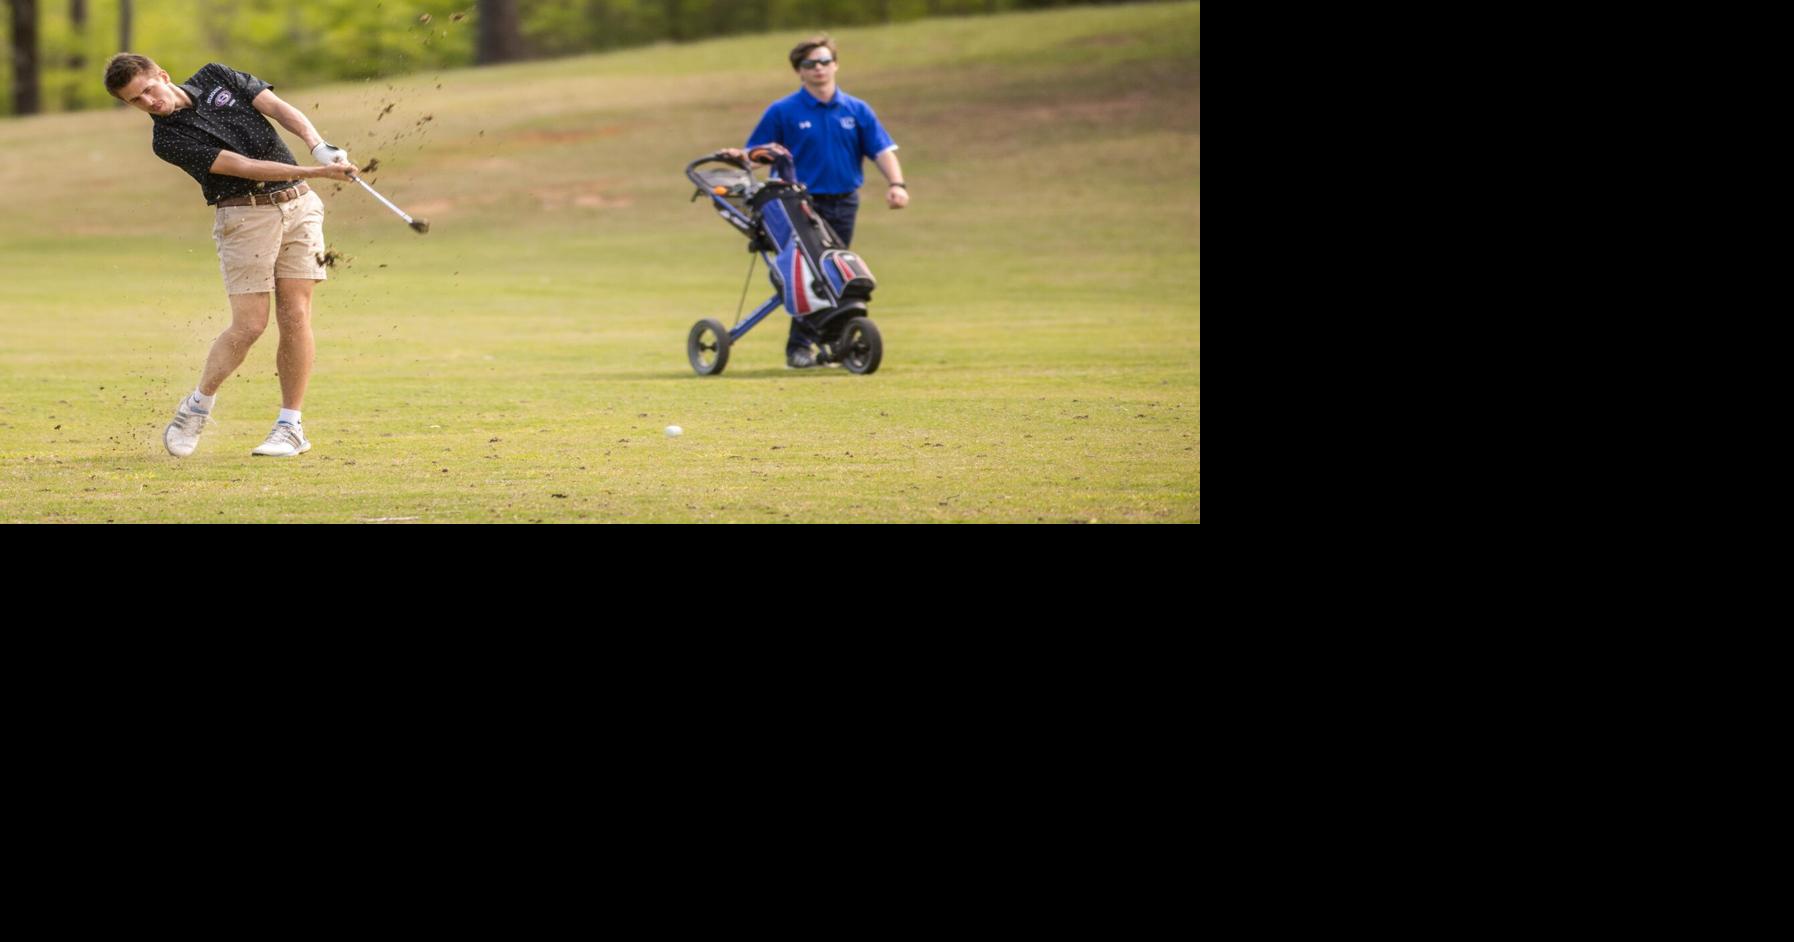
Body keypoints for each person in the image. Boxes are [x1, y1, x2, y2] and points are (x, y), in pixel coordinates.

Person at [104, 54, 359, 458]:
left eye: (149, 89)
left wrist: (317, 145)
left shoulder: (216, 76)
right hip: (245, 215)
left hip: (300, 208)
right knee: (250, 326)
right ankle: (198, 406)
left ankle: (289, 426)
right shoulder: (167, 139)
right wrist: (316, 172)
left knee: (296, 315)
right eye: (136, 101)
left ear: (162, 76)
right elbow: (241, 166)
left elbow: (276, 108)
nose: (149, 102)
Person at [723, 35, 909, 369]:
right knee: (805, 273)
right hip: (797, 204)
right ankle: (799, 348)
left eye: (825, 61)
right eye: (810, 64)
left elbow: (881, 150)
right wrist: (742, 156)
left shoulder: (856, 109)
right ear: (799, 71)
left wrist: (896, 184)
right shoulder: (783, 111)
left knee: (833, 274)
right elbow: (757, 152)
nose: (819, 68)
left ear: (835, 65)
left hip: (845, 201)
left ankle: (837, 343)